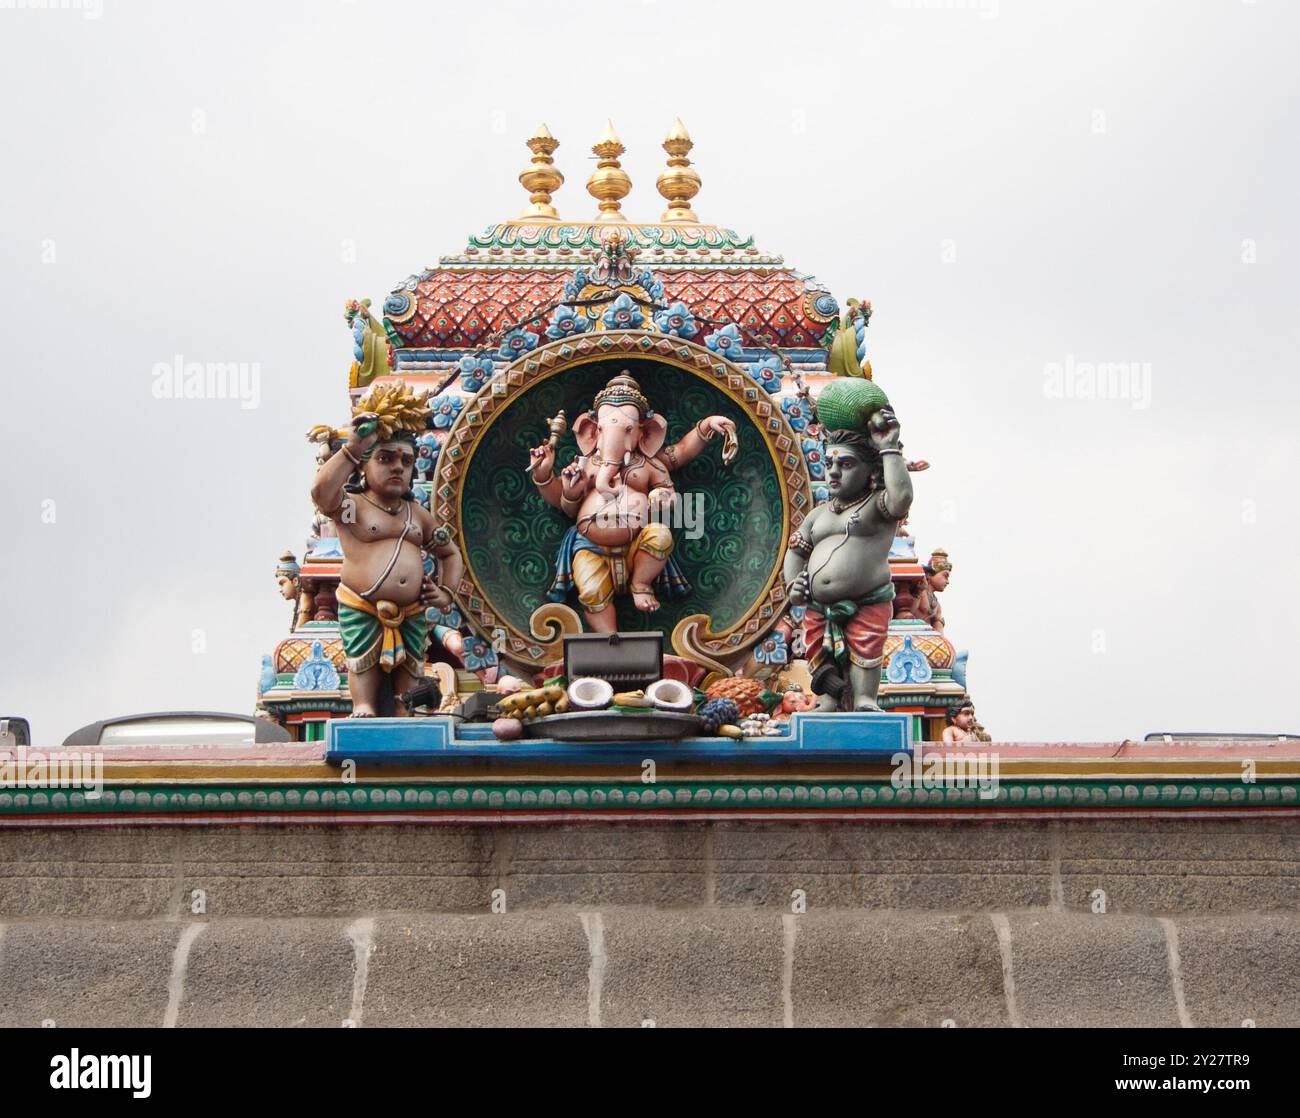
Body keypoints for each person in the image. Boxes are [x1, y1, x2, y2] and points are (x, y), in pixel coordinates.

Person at [311, 404, 461, 717]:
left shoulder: (416, 515)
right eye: (385, 458)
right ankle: (363, 705)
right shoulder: (353, 508)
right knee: (361, 657)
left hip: (411, 610)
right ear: (362, 468)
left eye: (406, 461)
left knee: (410, 662)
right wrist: (353, 448)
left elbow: (450, 553)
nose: (398, 467)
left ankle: (403, 707)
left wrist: (445, 591)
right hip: (363, 604)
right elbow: (323, 493)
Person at [784, 409, 913, 711]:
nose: (833, 472)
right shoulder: (818, 515)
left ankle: (865, 699)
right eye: (829, 463)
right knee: (820, 653)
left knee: (864, 647)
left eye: (845, 464)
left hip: (866, 600)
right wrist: (794, 586)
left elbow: (902, 498)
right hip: (818, 607)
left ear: (870, 470)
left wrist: (889, 448)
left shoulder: (876, 505)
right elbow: (796, 550)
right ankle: (828, 700)